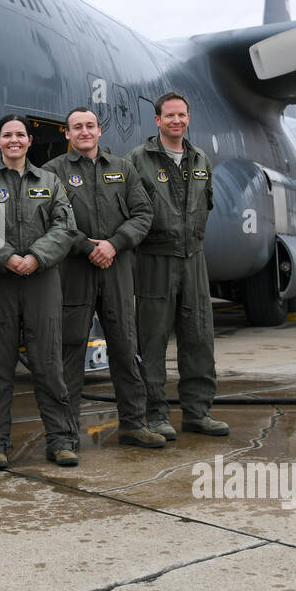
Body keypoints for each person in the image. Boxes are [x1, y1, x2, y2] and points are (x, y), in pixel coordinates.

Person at [43, 107, 163, 448]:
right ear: (67, 134)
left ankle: (133, 425)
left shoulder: (122, 169)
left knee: (126, 347)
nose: (84, 131)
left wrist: (114, 244)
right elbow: (55, 220)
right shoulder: (54, 172)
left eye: (90, 126)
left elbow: (143, 214)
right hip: (73, 273)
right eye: (77, 127)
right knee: (69, 351)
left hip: (117, 271)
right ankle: (64, 435)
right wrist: (86, 247)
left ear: (99, 131)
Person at [0, 115, 82, 467]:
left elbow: (65, 228)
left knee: (49, 363)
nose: (14, 140)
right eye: (6, 135)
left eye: (20, 135)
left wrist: (36, 257)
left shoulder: (50, 182)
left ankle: (61, 439)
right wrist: (6, 257)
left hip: (42, 282)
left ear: (29, 141)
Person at [126, 93, 229, 438]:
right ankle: (155, 415)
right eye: (169, 116)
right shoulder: (137, 160)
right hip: (155, 259)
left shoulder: (201, 159)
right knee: (151, 342)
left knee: (199, 337)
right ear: (157, 120)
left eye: (181, 115)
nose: (176, 121)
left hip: (194, 258)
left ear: (188, 118)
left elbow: (207, 202)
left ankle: (198, 413)